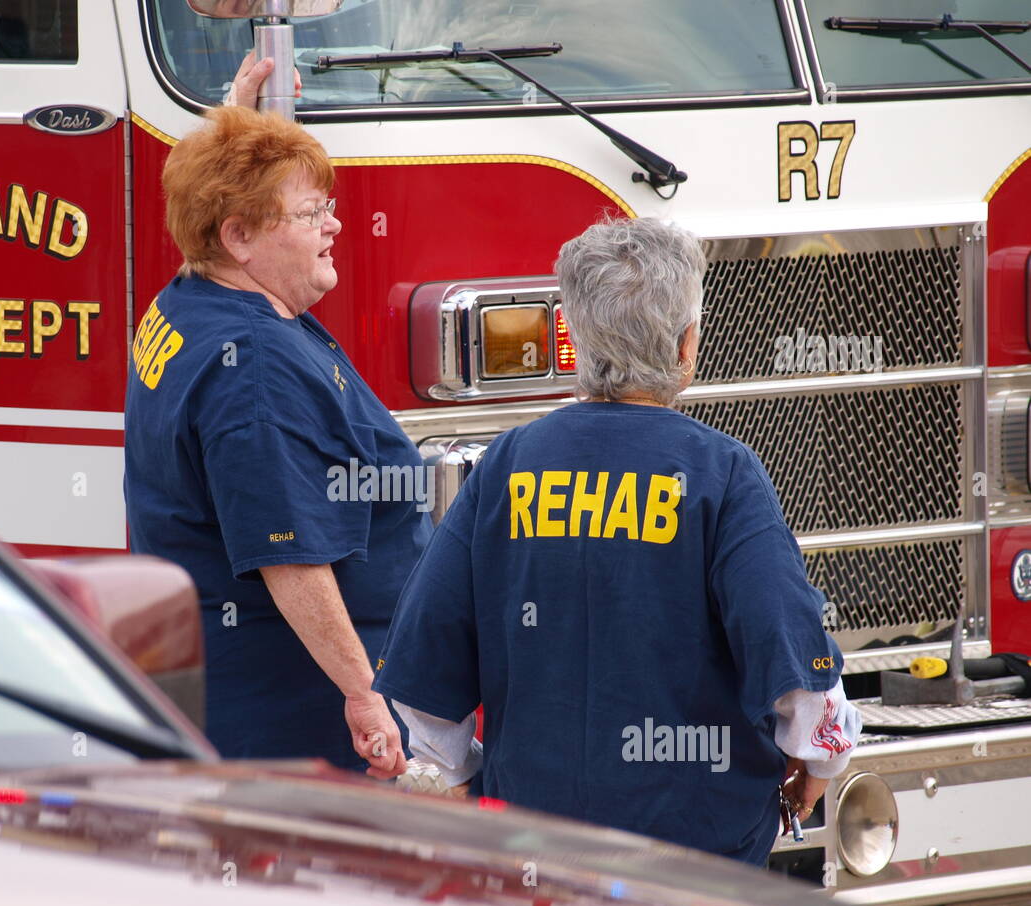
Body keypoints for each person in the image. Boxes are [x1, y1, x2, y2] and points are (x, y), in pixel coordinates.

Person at [370, 217, 861, 865]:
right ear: (687, 345)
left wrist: (458, 774)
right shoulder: (724, 473)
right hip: (697, 852)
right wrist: (822, 760)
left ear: (575, 336)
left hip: (536, 848)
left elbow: (425, 653)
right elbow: (792, 658)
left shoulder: (510, 463)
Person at [124, 105, 429, 777]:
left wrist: (234, 121)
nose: (334, 226)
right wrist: (363, 694)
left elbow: (208, 207)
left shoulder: (188, 296)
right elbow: (289, 556)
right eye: (308, 212)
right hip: (291, 718)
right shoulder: (254, 369)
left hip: (232, 690)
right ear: (239, 237)